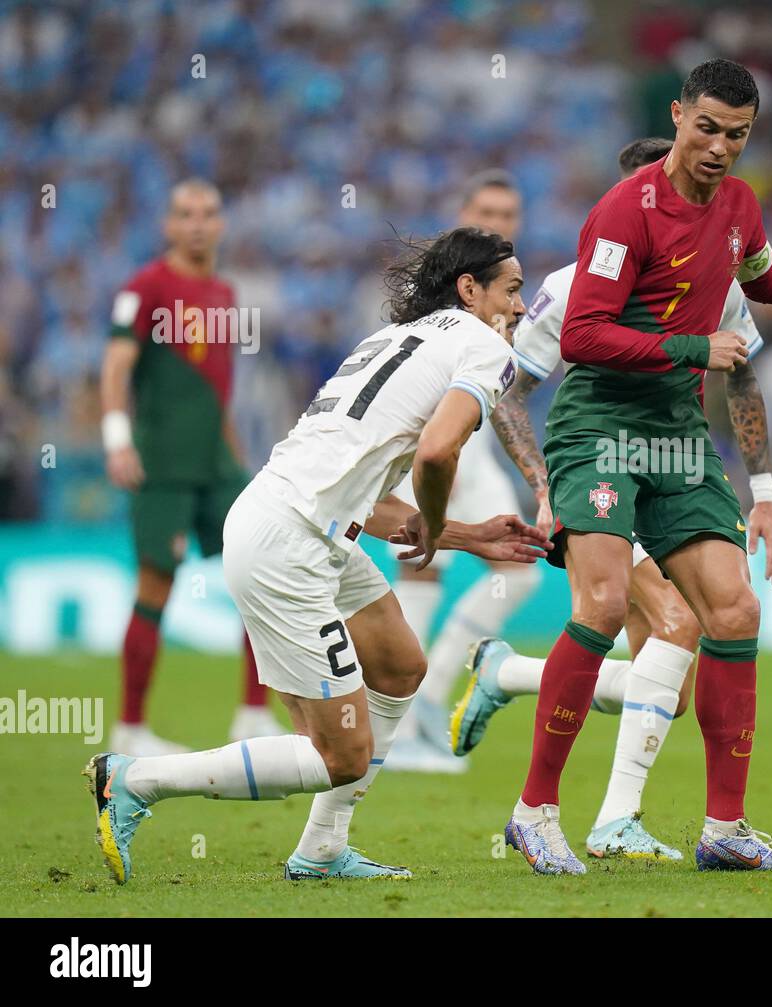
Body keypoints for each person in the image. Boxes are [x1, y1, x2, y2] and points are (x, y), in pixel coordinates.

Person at [502, 59, 772, 875]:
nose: (720, 147)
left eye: (737, 135)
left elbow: (768, 278)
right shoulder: (625, 212)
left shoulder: (739, 205)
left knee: (732, 612)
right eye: (707, 128)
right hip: (601, 426)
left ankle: (724, 827)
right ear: (678, 116)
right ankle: (534, 811)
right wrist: (695, 347)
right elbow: (584, 335)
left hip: (676, 430)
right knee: (598, 602)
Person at [85, 226, 549, 885]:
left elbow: (361, 494)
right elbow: (437, 452)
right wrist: (442, 517)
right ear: (470, 290)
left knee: (398, 663)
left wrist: (464, 535)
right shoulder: (483, 347)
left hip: (290, 520)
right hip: (291, 546)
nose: (522, 307)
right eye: (512, 289)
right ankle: (136, 779)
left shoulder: (390, 340)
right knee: (341, 755)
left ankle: (324, 848)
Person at [451, 137, 772, 862]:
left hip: (671, 458)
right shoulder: (576, 284)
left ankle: (508, 677)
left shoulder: (715, 271)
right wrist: (543, 484)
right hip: (597, 457)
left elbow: (744, 378)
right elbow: (513, 392)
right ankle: (580, 813)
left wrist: (764, 491)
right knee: (660, 621)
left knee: (673, 656)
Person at [100, 178, 279, 755]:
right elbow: (115, 365)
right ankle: (129, 729)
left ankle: (253, 715)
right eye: (185, 213)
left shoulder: (224, 292)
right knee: (157, 582)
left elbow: (216, 387)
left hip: (216, 462)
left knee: (260, 568)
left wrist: (237, 457)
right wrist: (117, 439)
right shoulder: (145, 286)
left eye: (208, 212)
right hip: (164, 465)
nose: (198, 223)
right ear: (168, 225)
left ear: (221, 223)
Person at [384, 171, 541, 774]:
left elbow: (506, 390)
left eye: (509, 211)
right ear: (464, 213)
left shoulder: (512, 291)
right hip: (435, 438)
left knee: (517, 565)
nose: (500, 221)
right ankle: (401, 714)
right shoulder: (451, 294)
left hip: (477, 449)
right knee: (423, 568)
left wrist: (533, 472)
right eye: (487, 210)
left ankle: (429, 694)